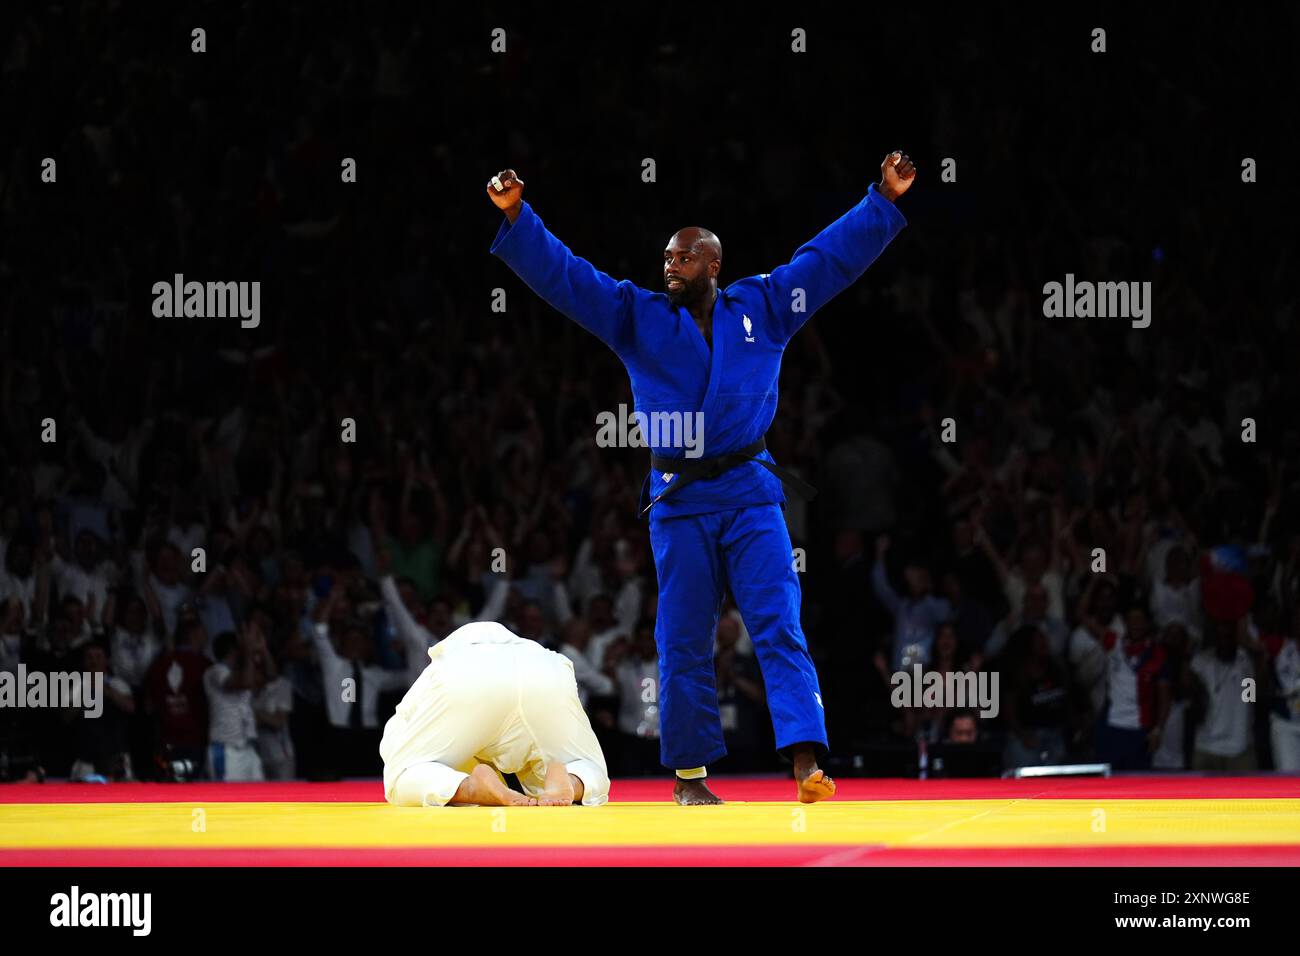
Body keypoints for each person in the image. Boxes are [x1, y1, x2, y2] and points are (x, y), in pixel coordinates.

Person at [486, 152, 916, 804]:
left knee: (779, 623)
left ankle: (807, 762)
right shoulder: (638, 316)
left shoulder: (765, 306)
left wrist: (882, 198)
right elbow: (569, 279)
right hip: (680, 499)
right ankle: (690, 777)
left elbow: (826, 261)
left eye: (683, 258)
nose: (669, 266)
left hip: (749, 492)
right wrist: (519, 216)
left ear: (714, 266)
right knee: (682, 637)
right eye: (666, 258)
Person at [380, 621, 610, 807]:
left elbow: (396, 732)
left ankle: (470, 788)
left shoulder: (443, 664)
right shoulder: (529, 649)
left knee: (401, 775)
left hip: (466, 676)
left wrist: (400, 760)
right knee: (586, 764)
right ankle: (572, 781)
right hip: (547, 670)